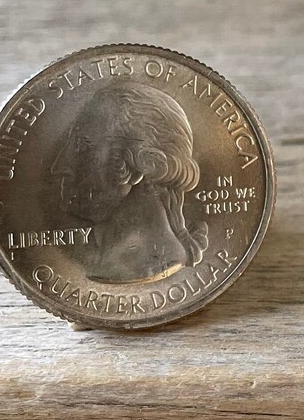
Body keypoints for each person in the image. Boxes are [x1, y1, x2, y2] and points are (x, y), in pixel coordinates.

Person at [49, 80, 208, 284]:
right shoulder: (107, 263)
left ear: (135, 166)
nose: (58, 166)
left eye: (82, 146)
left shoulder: (133, 264)